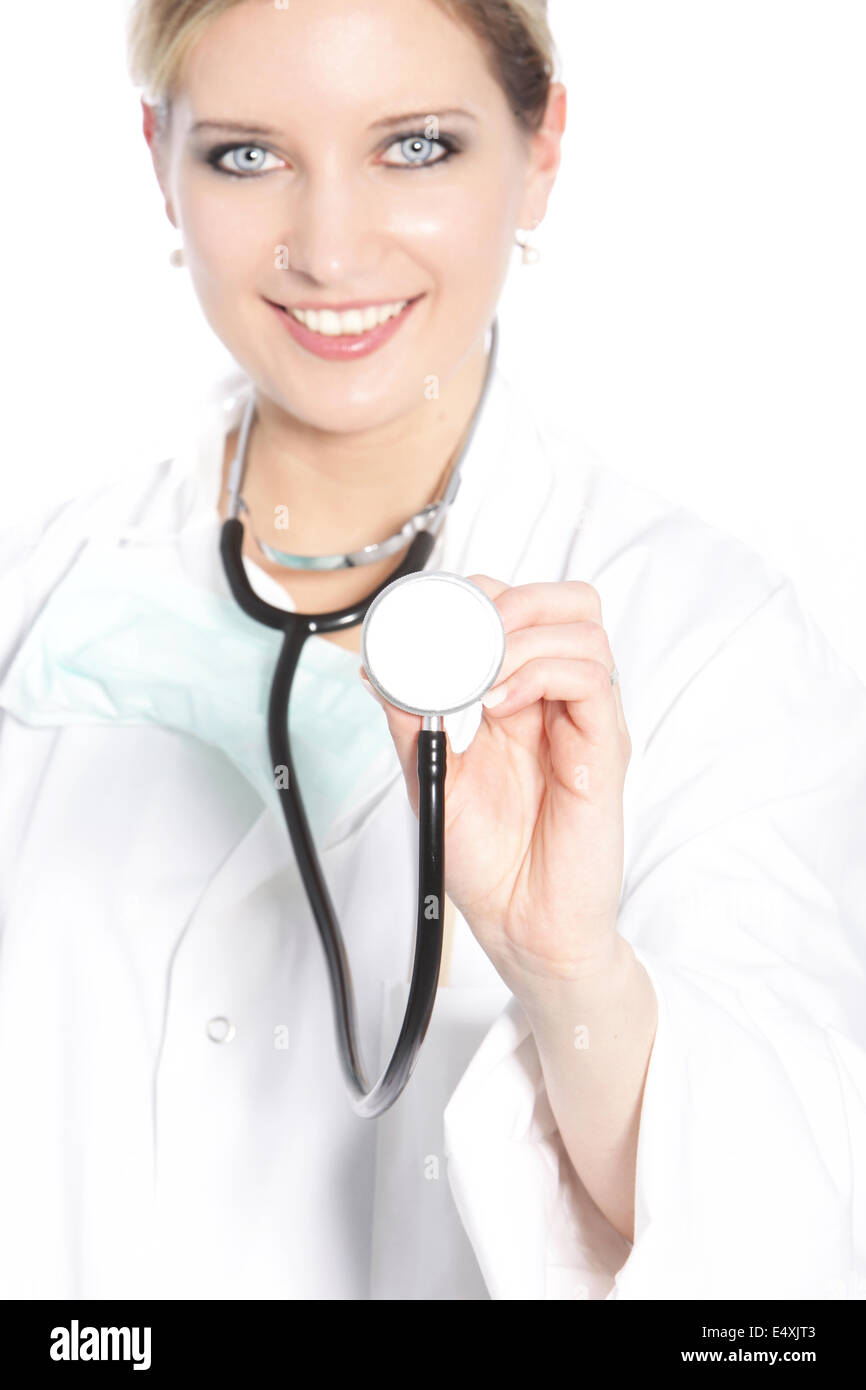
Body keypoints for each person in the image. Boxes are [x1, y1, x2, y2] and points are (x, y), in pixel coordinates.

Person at [1, 0, 864, 1302]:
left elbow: (781, 1263)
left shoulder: (701, 636)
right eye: (246, 154)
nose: (329, 249)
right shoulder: (44, 586)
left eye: (413, 146)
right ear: (157, 164)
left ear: (543, 144)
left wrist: (564, 967)